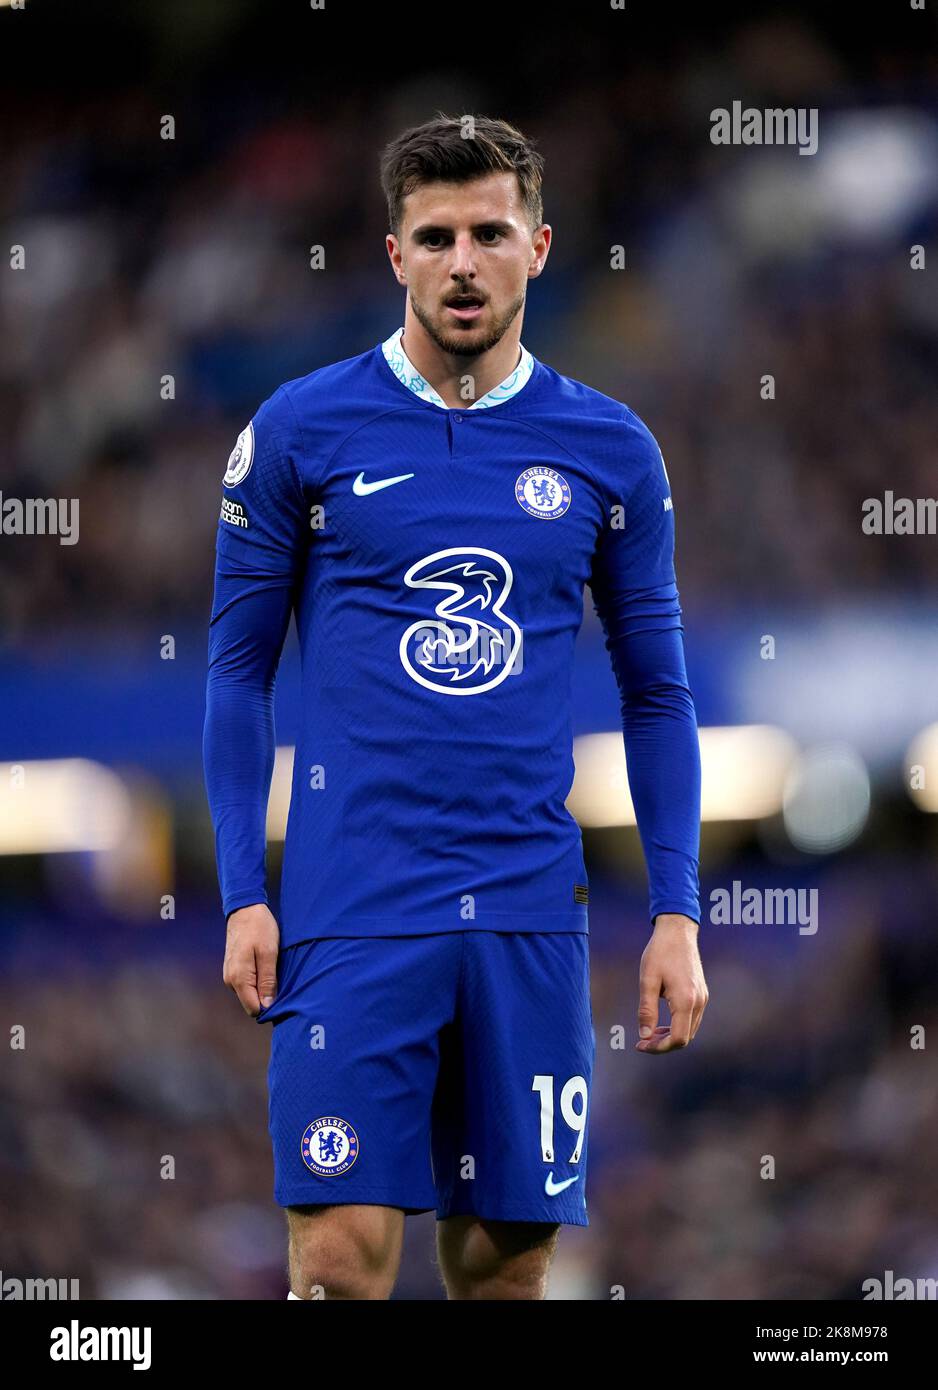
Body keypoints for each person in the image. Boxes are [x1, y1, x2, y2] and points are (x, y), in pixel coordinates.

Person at [203, 112, 706, 1301]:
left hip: (526, 908)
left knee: (504, 1270)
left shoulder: (608, 447)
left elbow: (657, 689)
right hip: (351, 901)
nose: (463, 261)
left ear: (539, 246)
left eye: (489, 232)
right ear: (394, 257)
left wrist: (677, 909)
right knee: (334, 1260)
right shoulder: (297, 429)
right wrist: (240, 893)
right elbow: (235, 674)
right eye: (435, 237)